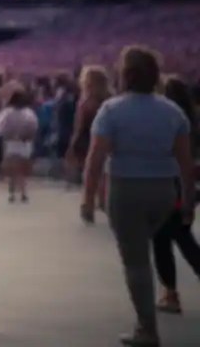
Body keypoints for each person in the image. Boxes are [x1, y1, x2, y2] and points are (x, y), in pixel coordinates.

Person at [83, 46, 193, 346]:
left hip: (126, 188)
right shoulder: (173, 111)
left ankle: (147, 328)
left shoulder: (112, 110)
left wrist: (88, 197)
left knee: (136, 261)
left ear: (125, 74)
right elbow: (185, 162)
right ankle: (157, 304)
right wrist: (188, 200)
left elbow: (95, 158)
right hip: (164, 190)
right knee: (151, 245)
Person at [154, 76, 200, 314]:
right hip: (185, 185)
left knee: (165, 239)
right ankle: (169, 292)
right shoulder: (192, 121)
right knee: (179, 236)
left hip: (170, 184)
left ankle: (170, 293)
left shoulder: (168, 122)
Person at [0, 83, 40, 204]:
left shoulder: (6, 113)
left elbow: (0, 129)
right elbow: (34, 128)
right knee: (22, 169)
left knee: (11, 170)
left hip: (10, 142)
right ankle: (23, 192)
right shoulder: (29, 113)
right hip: (24, 143)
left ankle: (11, 192)